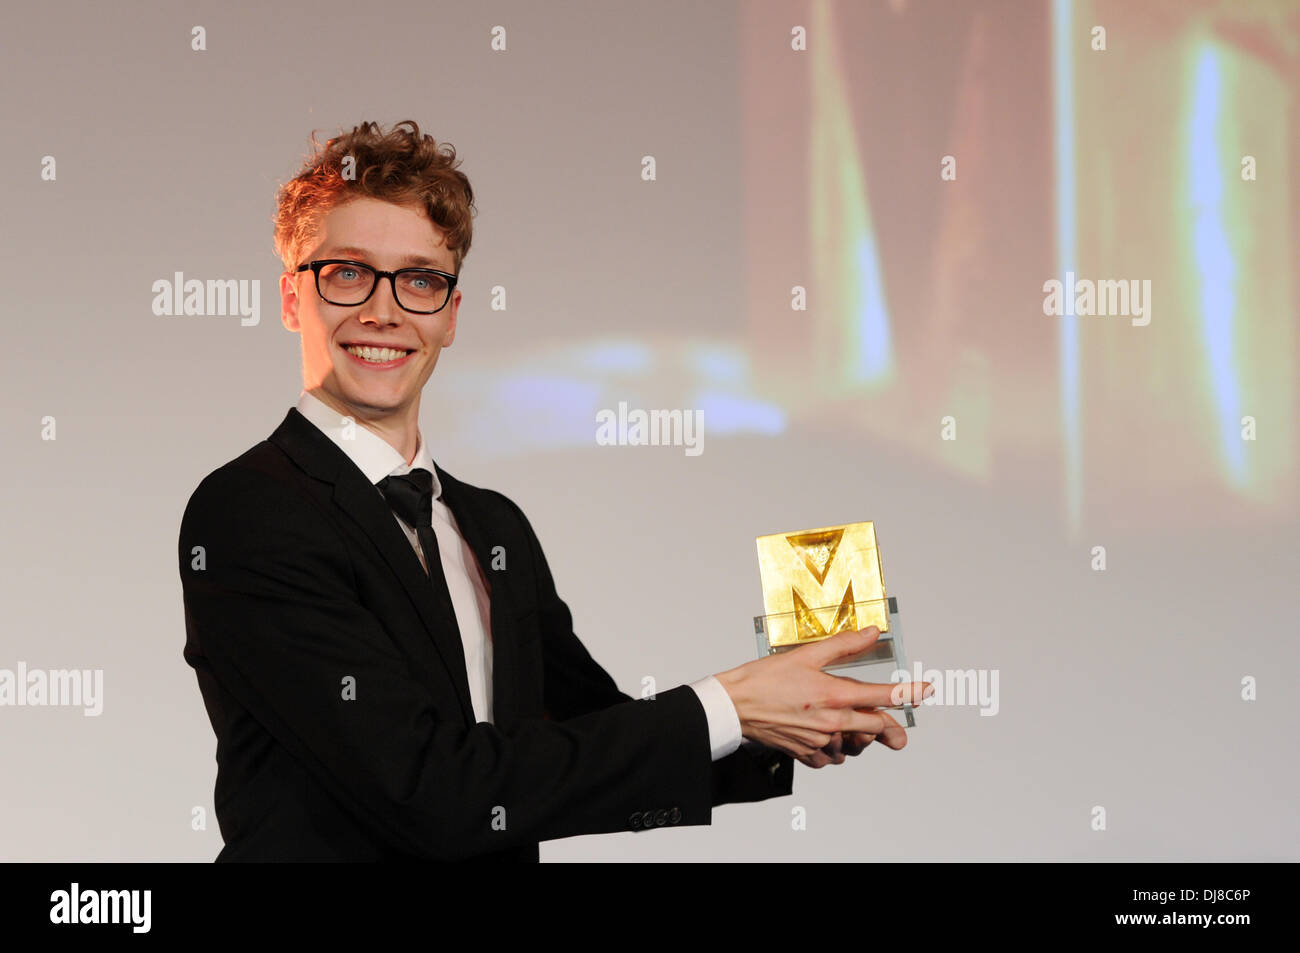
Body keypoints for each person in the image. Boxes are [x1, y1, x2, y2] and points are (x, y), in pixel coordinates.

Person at [178, 119, 932, 862]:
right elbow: (430, 790)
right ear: (289, 298)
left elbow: (584, 742)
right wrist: (732, 704)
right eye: (347, 273)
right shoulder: (250, 512)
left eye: (419, 280)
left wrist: (785, 720)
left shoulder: (491, 525)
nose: (384, 311)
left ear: (451, 314)